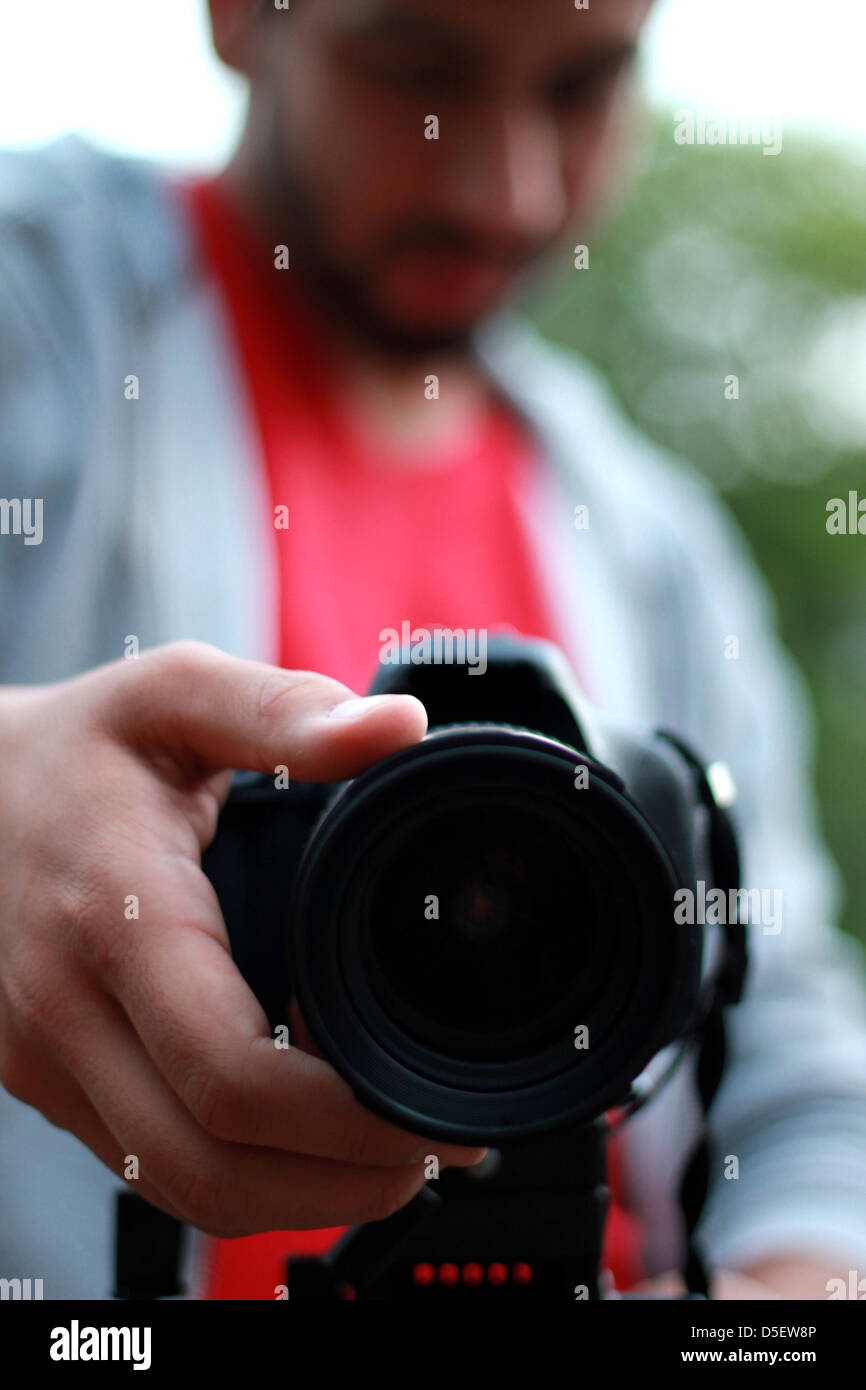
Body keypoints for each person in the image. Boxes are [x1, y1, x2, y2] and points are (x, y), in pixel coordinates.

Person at [1, 0, 865, 1301]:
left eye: (583, 86)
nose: (503, 185)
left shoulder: (655, 544)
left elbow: (788, 1042)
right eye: (415, 70)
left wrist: (785, 1297)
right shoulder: (38, 320)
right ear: (239, 19)